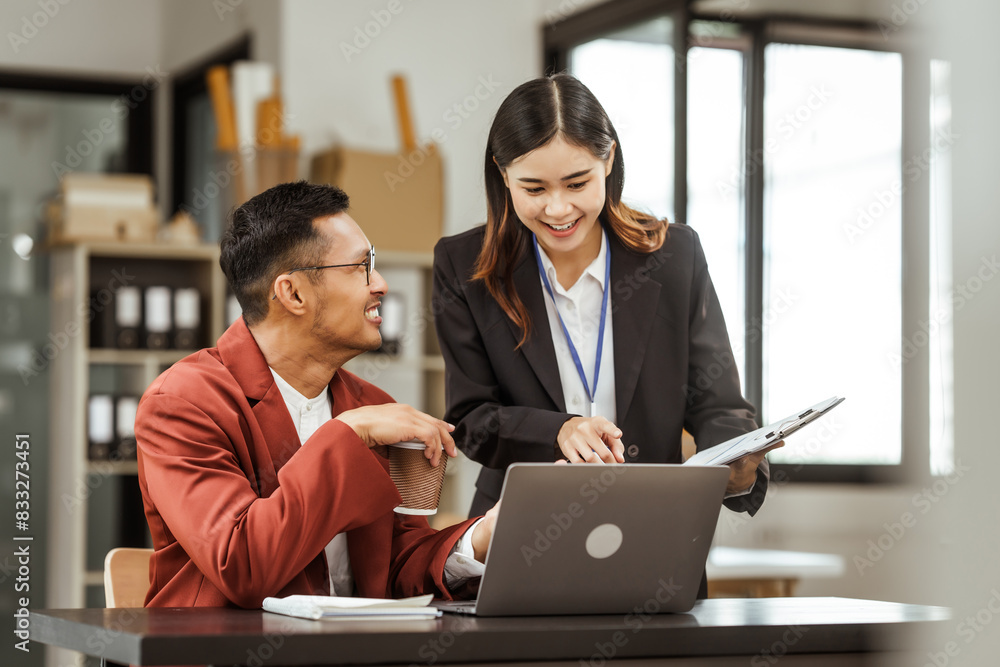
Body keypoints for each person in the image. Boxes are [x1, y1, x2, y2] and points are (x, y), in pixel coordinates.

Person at [432, 73, 779, 521]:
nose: (558, 210)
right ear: (503, 174)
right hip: (518, 523)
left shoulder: (673, 256)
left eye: (577, 184)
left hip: (655, 523)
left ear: (609, 159)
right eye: (533, 189)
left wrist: (735, 466)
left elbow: (719, 404)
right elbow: (471, 420)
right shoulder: (465, 266)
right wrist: (559, 430)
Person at [135, 181, 494, 609]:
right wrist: (346, 433)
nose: (379, 283)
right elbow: (244, 565)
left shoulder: (370, 405)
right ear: (293, 293)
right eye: (360, 266)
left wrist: (481, 539)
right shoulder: (181, 402)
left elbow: (395, 567)